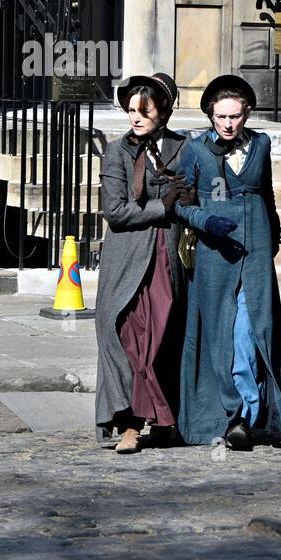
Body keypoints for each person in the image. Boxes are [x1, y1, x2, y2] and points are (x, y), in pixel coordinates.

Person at [173, 74, 281, 450]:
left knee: (249, 333)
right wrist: (206, 221)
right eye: (221, 117)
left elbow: (267, 193)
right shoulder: (196, 151)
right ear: (210, 116)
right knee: (220, 336)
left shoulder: (261, 145)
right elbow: (181, 203)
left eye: (235, 117)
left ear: (246, 114)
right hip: (216, 255)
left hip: (257, 254)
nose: (228, 124)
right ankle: (230, 415)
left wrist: (273, 234)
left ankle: (246, 415)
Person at [94, 73, 193, 454]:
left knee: (160, 338)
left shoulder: (184, 148)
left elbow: (194, 193)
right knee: (125, 334)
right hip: (126, 259)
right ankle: (130, 424)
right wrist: (160, 205)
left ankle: (165, 419)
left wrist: (184, 199)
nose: (135, 118)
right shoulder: (117, 152)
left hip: (167, 256)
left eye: (144, 110)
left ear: (163, 111)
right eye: (131, 110)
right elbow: (115, 211)